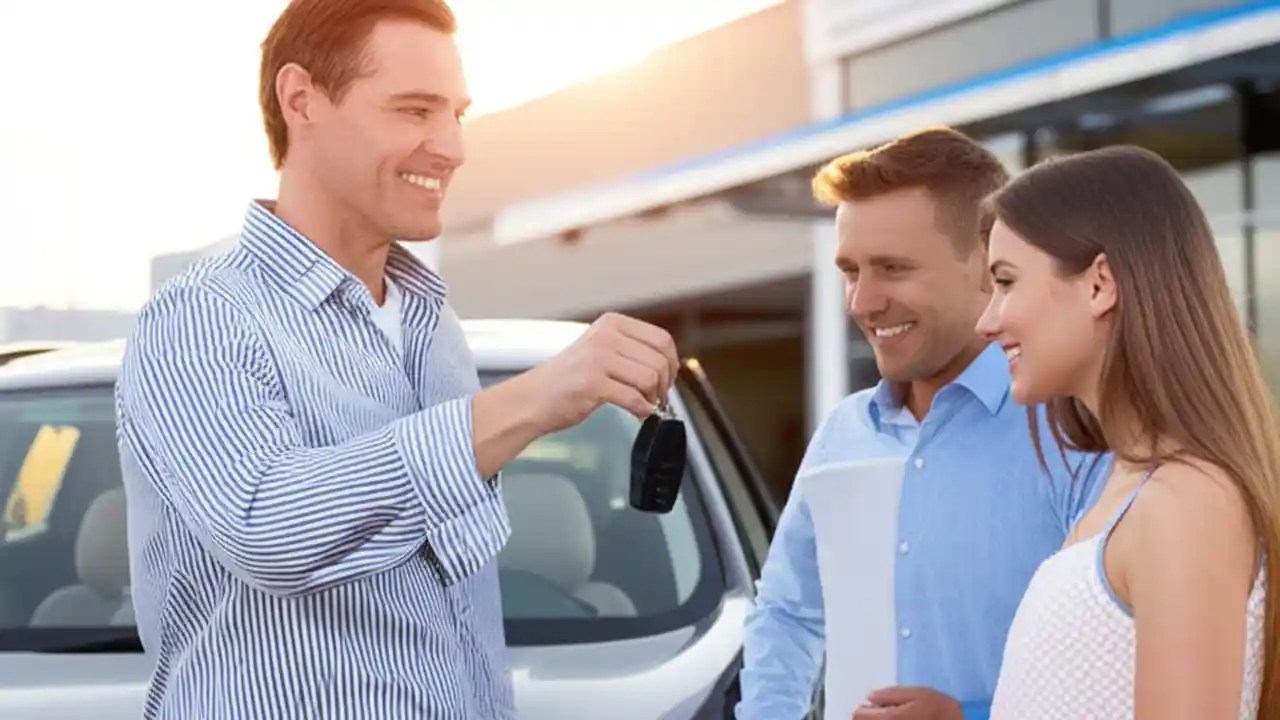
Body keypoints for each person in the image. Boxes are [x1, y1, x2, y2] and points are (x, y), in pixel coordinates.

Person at [113, 1, 679, 718]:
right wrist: (531, 401)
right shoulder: (198, 319)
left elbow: (461, 611)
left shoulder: (430, 324)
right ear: (301, 100)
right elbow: (266, 525)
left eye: (457, 114)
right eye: (414, 111)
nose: (451, 146)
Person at [735, 127, 1110, 720]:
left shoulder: (1076, 435)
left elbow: (1116, 663)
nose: (861, 302)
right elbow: (787, 614)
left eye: (892, 268)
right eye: (851, 270)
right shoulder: (841, 434)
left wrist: (972, 717)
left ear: (989, 266)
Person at [980, 145, 1277, 719]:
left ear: (1100, 284)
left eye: (1006, 282)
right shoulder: (1130, 491)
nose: (987, 320)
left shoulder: (1185, 502)